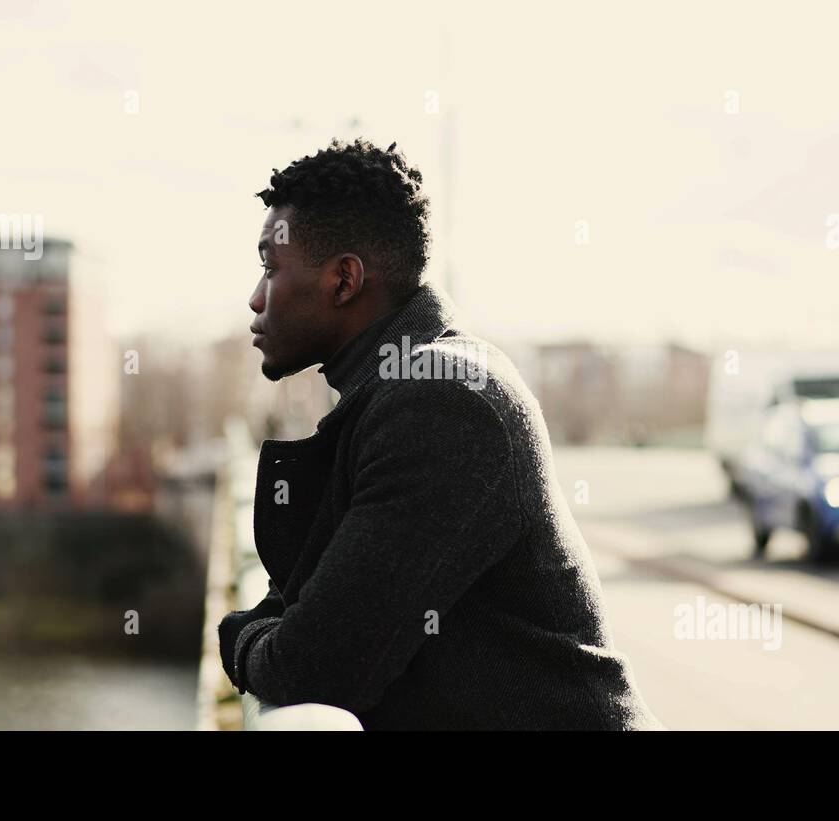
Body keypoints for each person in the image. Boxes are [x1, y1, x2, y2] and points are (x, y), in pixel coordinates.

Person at [219, 138, 655, 730]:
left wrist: (240, 638)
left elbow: (313, 666)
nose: (255, 297)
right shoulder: (401, 388)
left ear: (343, 280)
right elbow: (308, 602)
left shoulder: (441, 401)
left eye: (270, 268)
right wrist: (272, 629)